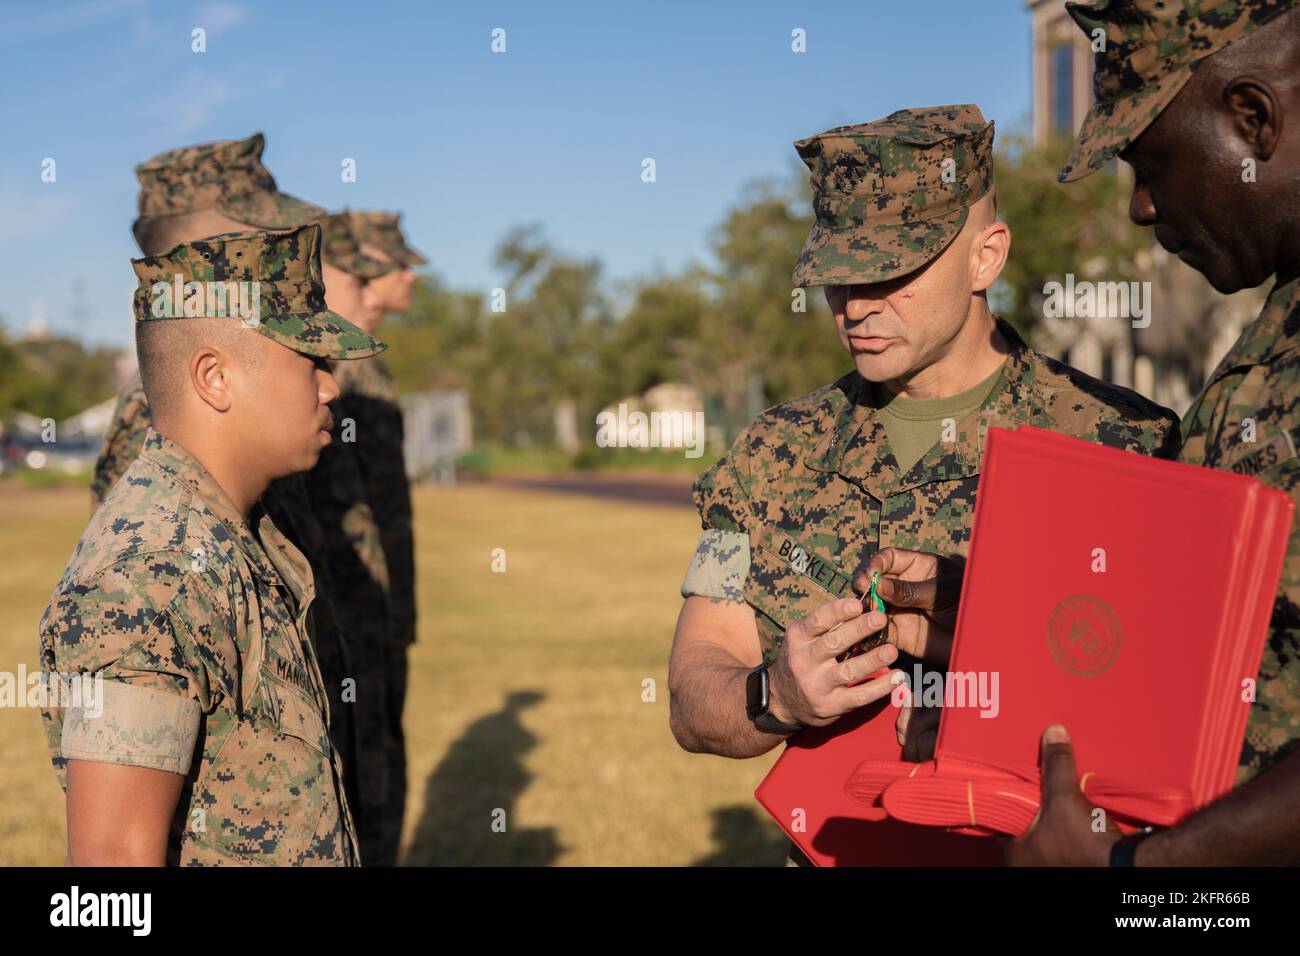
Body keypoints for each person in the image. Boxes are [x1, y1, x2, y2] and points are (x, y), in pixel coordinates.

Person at [666, 105, 1182, 864]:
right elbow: (690, 693)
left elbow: (1176, 711)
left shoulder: (1126, 447)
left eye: (893, 270)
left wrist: (993, 671)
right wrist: (776, 694)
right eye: (839, 273)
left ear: (986, 258)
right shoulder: (775, 451)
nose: (858, 304)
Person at [997, 0, 1300, 866]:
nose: (1139, 208)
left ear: (1253, 118)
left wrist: (1140, 873)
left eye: (1150, 164)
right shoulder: (1275, 323)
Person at [38, 224, 381, 865]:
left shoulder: (236, 533)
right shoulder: (151, 573)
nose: (331, 387)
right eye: (310, 360)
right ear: (214, 377)